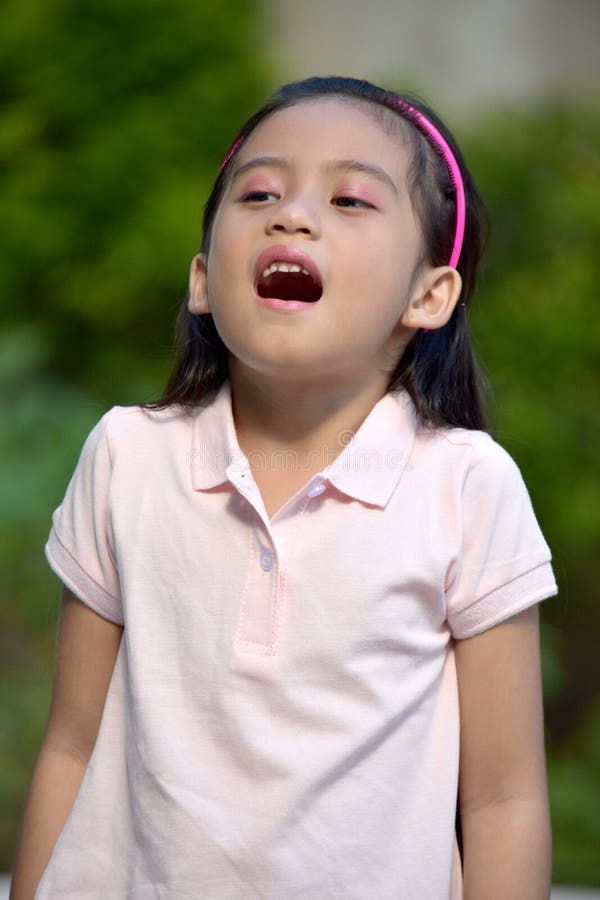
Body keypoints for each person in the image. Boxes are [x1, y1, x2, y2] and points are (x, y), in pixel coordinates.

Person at [10, 76, 557, 899]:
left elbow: (504, 799)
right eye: (260, 190)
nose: (292, 214)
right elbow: (70, 745)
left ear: (428, 294)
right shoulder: (128, 455)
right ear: (201, 279)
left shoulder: (467, 487)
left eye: (351, 201)